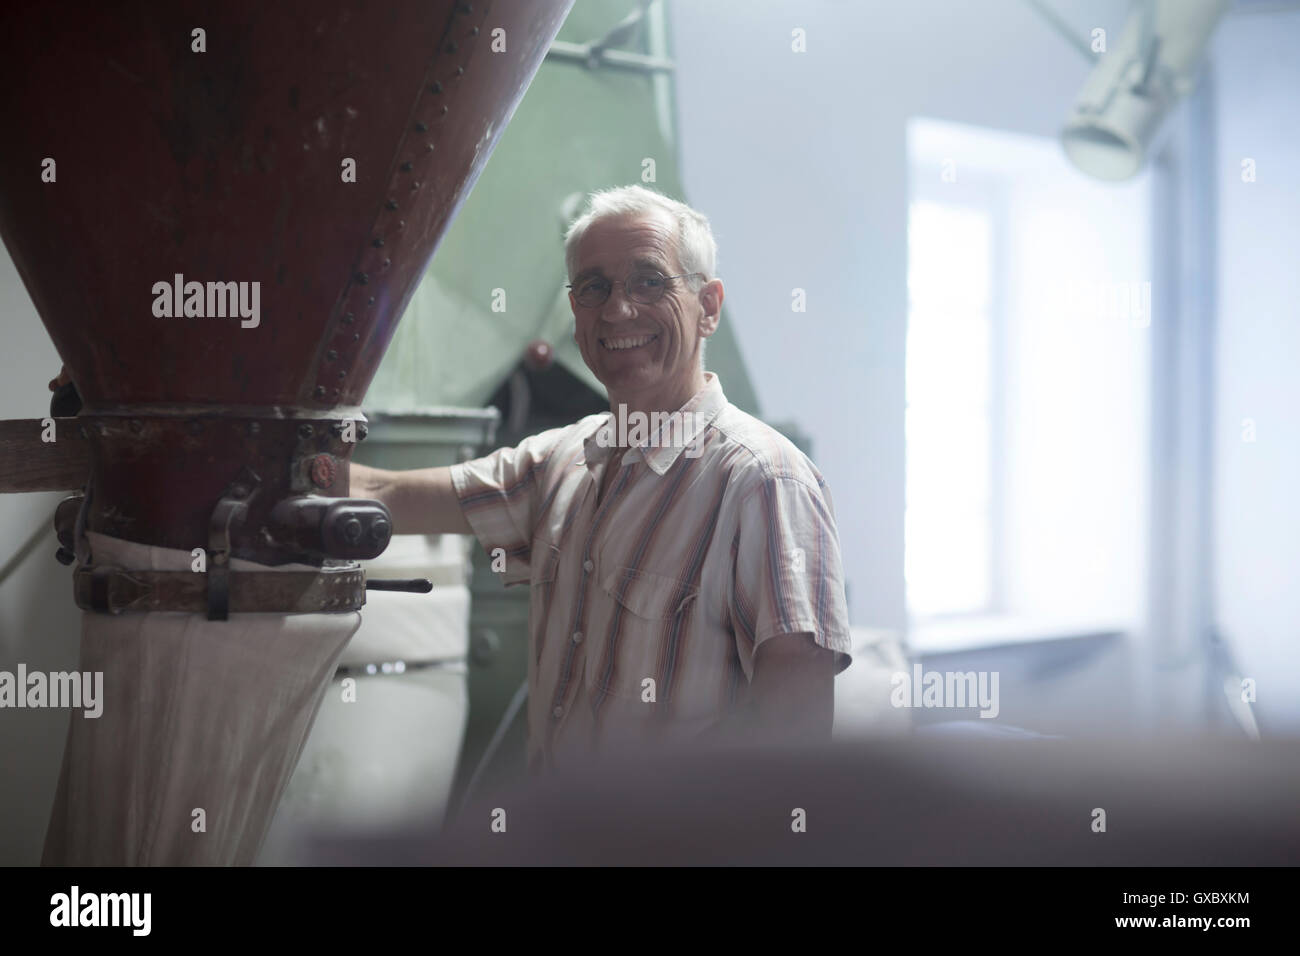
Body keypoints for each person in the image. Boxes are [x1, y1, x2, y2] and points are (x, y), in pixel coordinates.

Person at [352, 185, 852, 775]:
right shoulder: (563, 462)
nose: (618, 311)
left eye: (649, 281)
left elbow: (797, 741)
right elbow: (387, 497)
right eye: (593, 288)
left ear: (709, 305)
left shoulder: (764, 483)